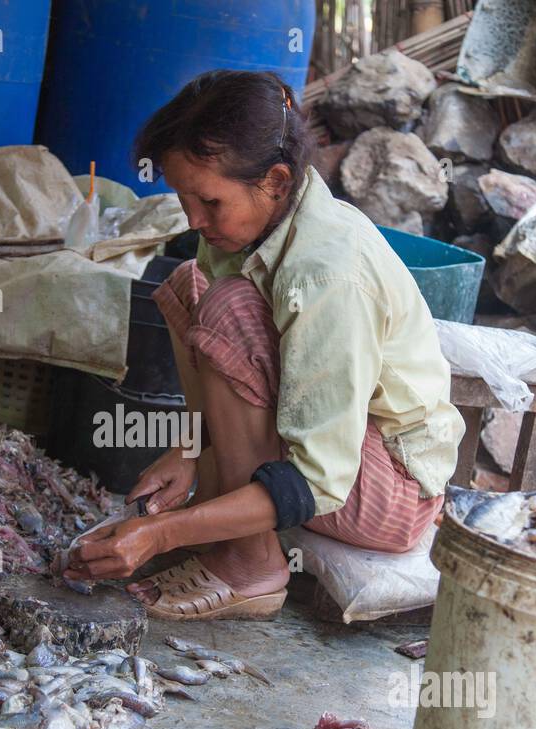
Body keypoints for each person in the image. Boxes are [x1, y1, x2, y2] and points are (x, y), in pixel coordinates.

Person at [63, 70, 463, 621]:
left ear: (275, 181)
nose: (194, 220)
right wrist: (189, 452)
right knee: (188, 290)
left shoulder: (326, 277)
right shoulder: (259, 223)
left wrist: (159, 534)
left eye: (209, 201)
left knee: (228, 311)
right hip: (345, 465)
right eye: (184, 200)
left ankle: (252, 567)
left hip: (388, 496)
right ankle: (223, 516)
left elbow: (319, 482)